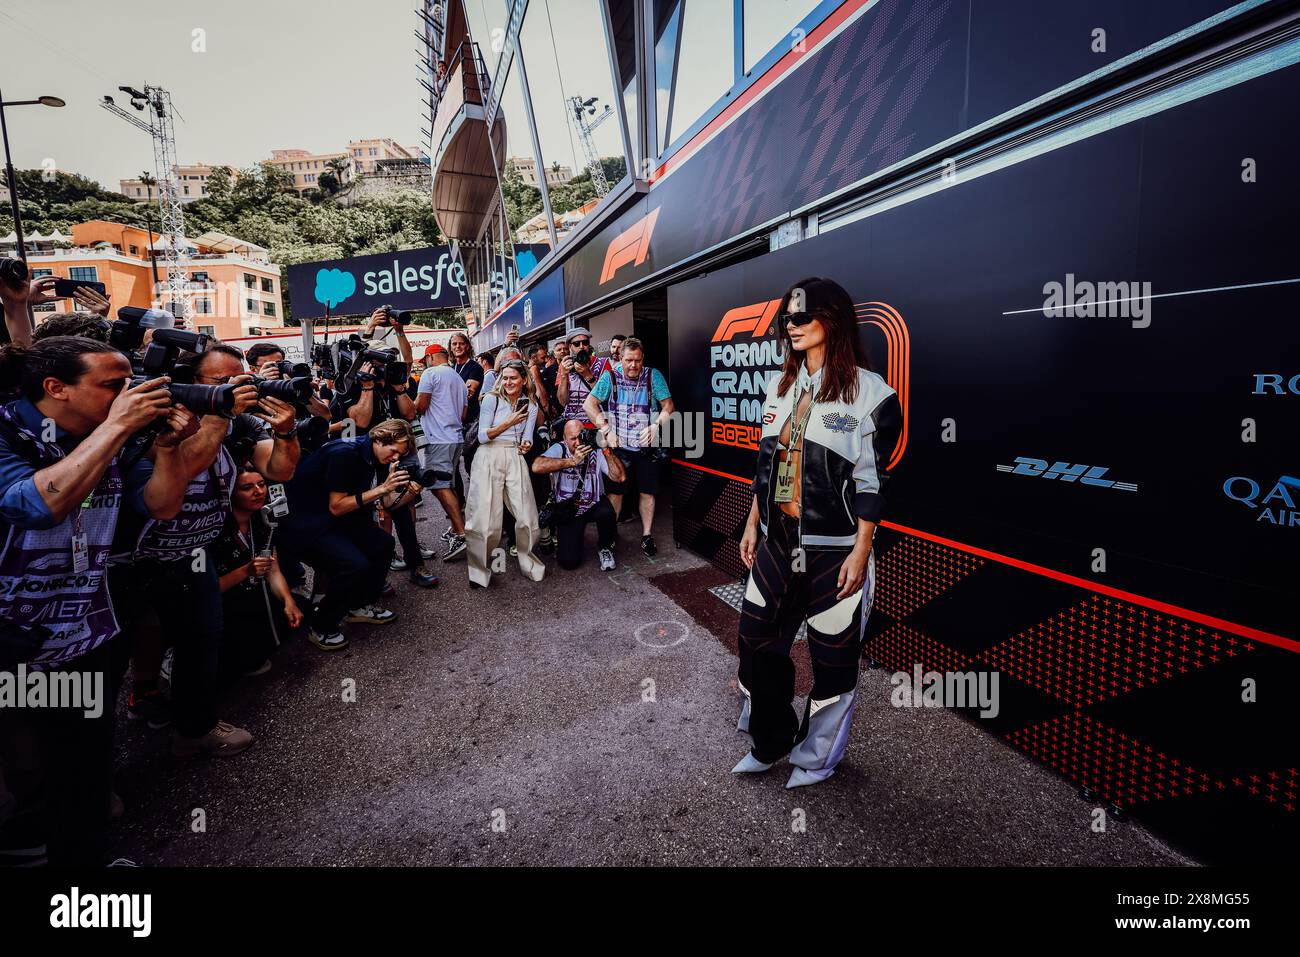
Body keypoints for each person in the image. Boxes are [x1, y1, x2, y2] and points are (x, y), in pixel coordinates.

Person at [0, 337, 177, 864]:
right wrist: (117, 426)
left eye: (130, 382)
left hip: (79, 627)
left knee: (84, 757)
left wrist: (175, 444)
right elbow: (35, 506)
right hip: (12, 636)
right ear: (56, 388)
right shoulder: (8, 432)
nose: (129, 395)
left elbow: (161, 505)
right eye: (112, 386)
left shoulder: (106, 431)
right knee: (29, 762)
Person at [732, 277, 902, 789]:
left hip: (836, 549)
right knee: (755, 640)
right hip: (777, 540)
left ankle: (816, 758)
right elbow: (766, 466)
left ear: (833, 318)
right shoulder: (779, 386)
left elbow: (873, 482)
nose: (792, 325)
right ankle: (769, 740)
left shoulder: (872, 393)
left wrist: (862, 550)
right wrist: (753, 522)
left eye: (803, 315)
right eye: (787, 317)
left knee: (833, 658)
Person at [279, 418, 415, 650]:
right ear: (379, 439)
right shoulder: (345, 454)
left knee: (383, 544)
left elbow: (371, 503)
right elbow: (337, 506)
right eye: (393, 451)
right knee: (353, 564)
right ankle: (321, 626)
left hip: (335, 516)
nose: (395, 458)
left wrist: (404, 489)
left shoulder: (371, 455)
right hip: (306, 521)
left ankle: (358, 606)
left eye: (399, 455)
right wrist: (382, 488)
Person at [584, 336, 674, 556]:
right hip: (619, 446)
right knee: (616, 494)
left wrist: (656, 426)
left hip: (647, 446)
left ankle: (646, 535)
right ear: (620, 358)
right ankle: (610, 536)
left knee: (647, 492)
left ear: (643, 358)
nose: (633, 365)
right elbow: (590, 404)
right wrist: (606, 429)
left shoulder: (653, 375)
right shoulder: (610, 377)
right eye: (628, 360)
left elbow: (668, 406)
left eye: (637, 360)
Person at [213, 464, 304, 681]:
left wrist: (288, 600)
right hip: (224, 606)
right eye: (247, 487)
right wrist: (246, 571)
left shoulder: (262, 521)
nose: (258, 491)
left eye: (261, 484)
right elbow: (206, 590)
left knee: (302, 610)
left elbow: (273, 570)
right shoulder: (214, 531)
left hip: (255, 597)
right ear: (230, 493)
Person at [464, 360, 545, 587]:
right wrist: (509, 422)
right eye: (505, 377)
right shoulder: (491, 399)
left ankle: (529, 563)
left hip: (514, 456)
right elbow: (482, 436)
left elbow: (527, 436)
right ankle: (478, 572)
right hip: (488, 455)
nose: (508, 382)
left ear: (524, 380)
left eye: (513, 378)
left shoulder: (530, 404)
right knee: (485, 520)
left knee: (527, 515)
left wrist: (527, 444)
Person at [532, 419, 626, 571]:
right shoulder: (560, 448)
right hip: (569, 507)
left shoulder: (594, 449)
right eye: (573, 438)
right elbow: (536, 466)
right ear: (565, 439)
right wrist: (571, 461)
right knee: (568, 562)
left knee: (607, 512)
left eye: (580, 436)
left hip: (593, 502)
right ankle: (574, 537)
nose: (577, 442)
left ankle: (605, 546)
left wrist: (606, 449)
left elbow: (619, 477)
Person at [414, 343, 468, 562]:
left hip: (438, 438)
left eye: (425, 360)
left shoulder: (430, 374)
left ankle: (462, 534)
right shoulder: (459, 378)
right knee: (447, 484)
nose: (424, 364)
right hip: (455, 437)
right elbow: (463, 414)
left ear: (431, 357)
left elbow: (420, 407)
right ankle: (457, 529)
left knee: (438, 486)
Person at [555, 327, 611, 425]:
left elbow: (606, 397)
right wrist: (563, 375)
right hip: (572, 425)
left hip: (596, 423)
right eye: (576, 344)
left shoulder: (603, 363)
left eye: (585, 343)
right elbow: (563, 401)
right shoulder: (565, 365)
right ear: (570, 347)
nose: (581, 347)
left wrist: (588, 375)